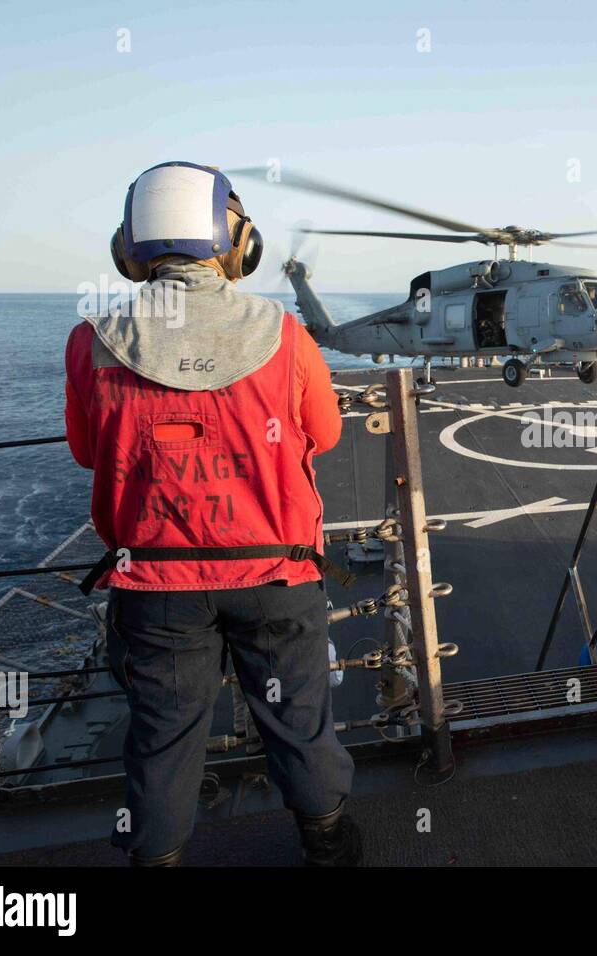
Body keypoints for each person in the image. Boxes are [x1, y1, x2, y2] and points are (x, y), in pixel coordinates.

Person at [64, 161, 359, 866]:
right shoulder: (285, 337)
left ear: (129, 251)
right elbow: (327, 433)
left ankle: (157, 857)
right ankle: (327, 843)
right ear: (238, 246)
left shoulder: (91, 342)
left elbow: (85, 452)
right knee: (297, 723)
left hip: (156, 592)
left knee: (163, 740)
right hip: (275, 580)